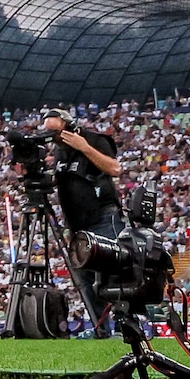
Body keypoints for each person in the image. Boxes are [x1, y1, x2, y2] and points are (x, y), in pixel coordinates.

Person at [42, 109, 123, 334]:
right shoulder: (60, 154)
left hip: (104, 217)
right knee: (86, 280)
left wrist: (84, 147)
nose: (53, 138)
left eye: (55, 133)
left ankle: (125, 328)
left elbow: (115, 169)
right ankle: (101, 330)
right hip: (77, 224)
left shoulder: (94, 140)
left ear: (69, 126)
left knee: (111, 274)